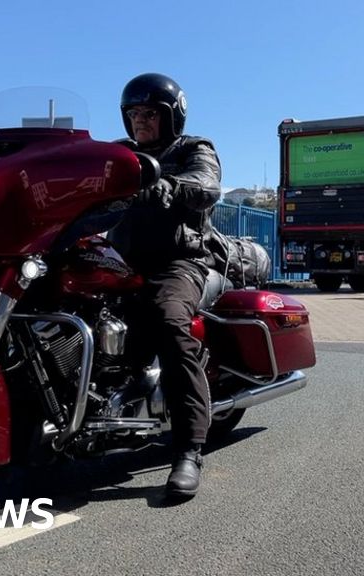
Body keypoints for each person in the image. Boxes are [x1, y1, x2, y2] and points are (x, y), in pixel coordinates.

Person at [110, 73, 221, 498]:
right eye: (134, 114)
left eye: (150, 114)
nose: (140, 122)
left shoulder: (193, 148)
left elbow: (206, 183)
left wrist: (171, 186)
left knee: (168, 321)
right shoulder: (119, 154)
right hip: (120, 262)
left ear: (171, 117)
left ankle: (188, 449)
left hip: (181, 261)